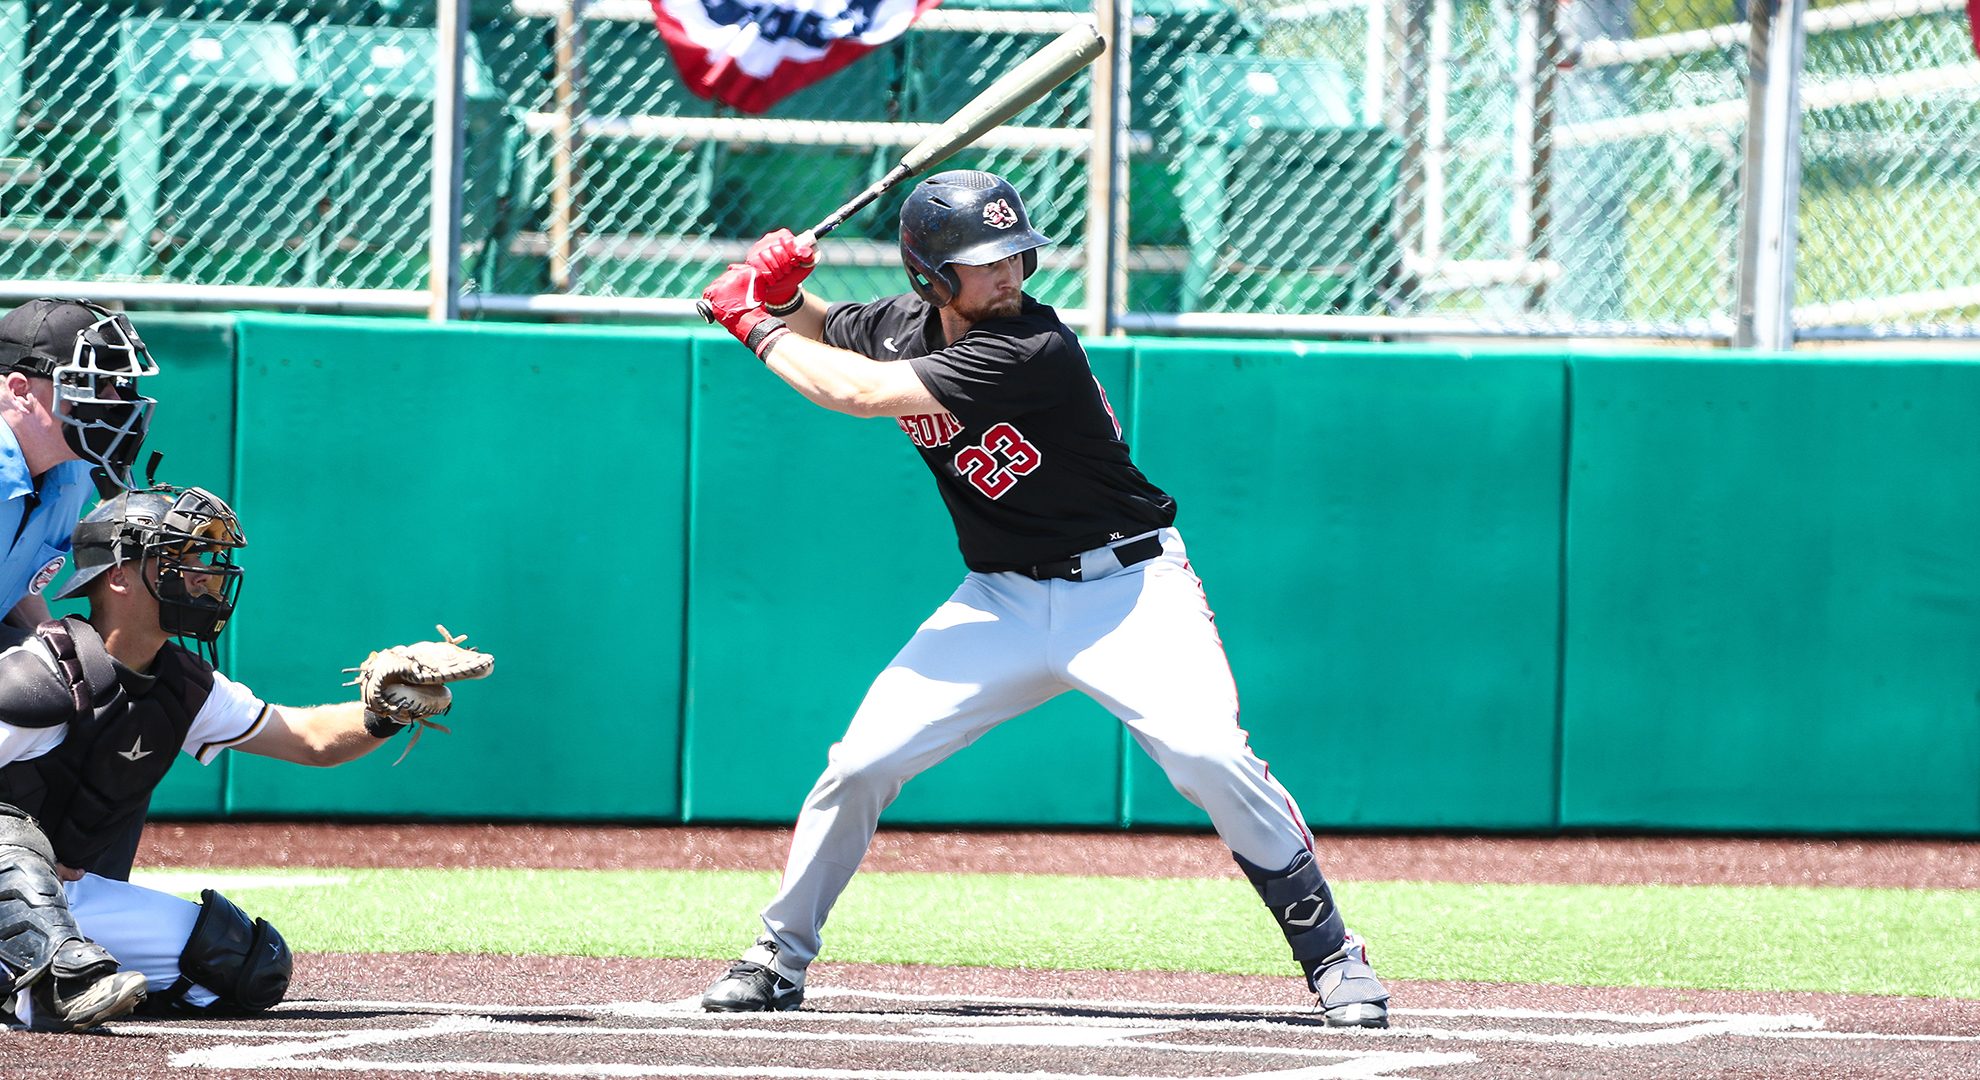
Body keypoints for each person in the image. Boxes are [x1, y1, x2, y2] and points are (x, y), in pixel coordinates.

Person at [693, 170, 1391, 1027]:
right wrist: (781, 289)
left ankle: (1333, 957)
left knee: (1208, 756)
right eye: (985, 263)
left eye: (1015, 255)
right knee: (860, 763)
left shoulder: (1033, 347)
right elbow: (821, 330)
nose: (1010, 275)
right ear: (928, 275)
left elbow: (852, 391)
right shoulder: (900, 323)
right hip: (1000, 602)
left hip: (1131, 591)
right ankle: (778, 956)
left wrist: (745, 316)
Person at [0, 485, 491, 1031]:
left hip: (64, 902)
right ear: (118, 576)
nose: (204, 575)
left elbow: (308, 739)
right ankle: (40, 987)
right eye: (180, 558)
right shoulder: (37, 675)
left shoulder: (184, 684)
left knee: (244, 965)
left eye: (205, 560)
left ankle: (34, 972)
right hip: (10, 888)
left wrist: (382, 710)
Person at [0, 298, 158, 630]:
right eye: (90, 382)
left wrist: (61, 661)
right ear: (19, 390)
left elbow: (13, 583)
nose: (114, 400)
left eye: (116, 383)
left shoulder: (75, 471)